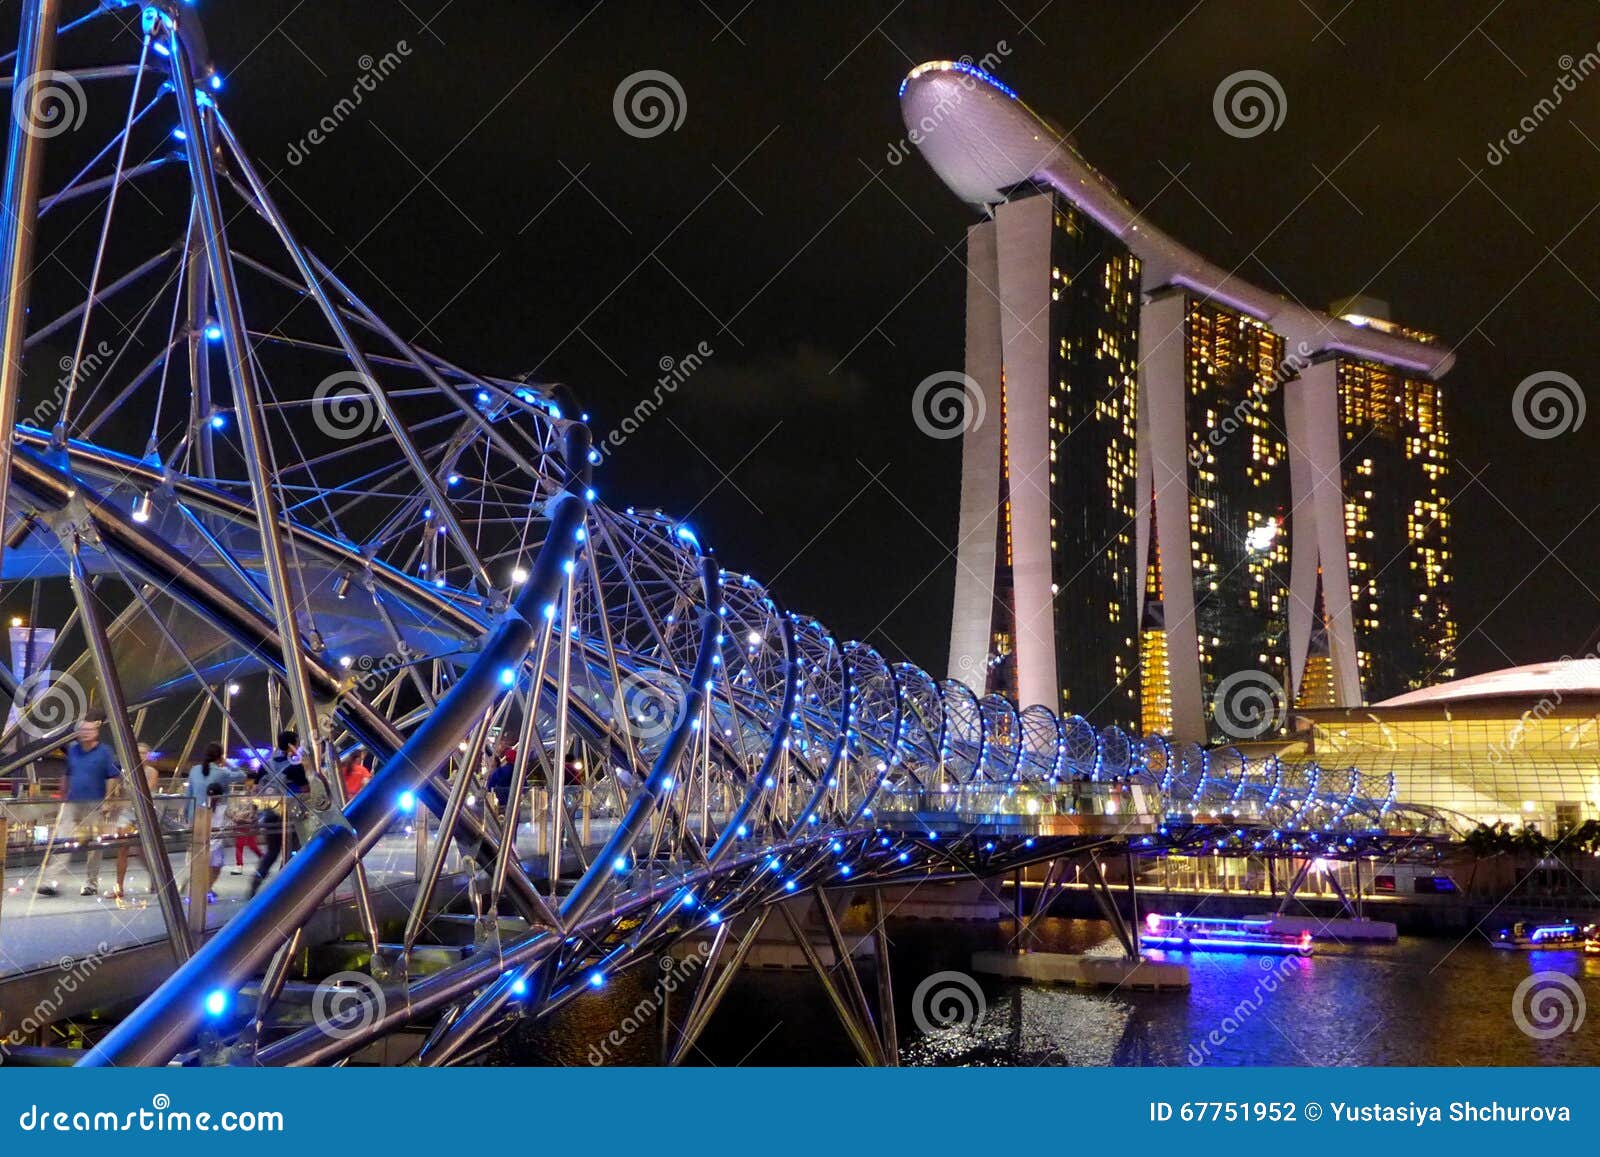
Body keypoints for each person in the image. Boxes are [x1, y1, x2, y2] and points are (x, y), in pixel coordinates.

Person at [37, 719, 119, 897]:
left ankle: (91, 883)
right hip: (72, 803)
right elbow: (67, 774)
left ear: (96, 732)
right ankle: (51, 881)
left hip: (94, 804)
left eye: (89, 730)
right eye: (82, 730)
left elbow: (112, 777)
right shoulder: (73, 751)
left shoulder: (105, 752)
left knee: (93, 845)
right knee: (62, 839)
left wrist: (107, 800)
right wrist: (62, 797)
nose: (85, 733)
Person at [250, 730, 306, 897]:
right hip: (289, 815)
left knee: (272, 852)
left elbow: (256, 789)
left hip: (269, 814)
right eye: (296, 743)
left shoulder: (266, 763)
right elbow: (305, 790)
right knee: (294, 851)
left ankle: (256, 883)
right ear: (291, 745)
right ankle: (286, 887)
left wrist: (254, 812)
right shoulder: (295, 766)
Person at [186, 742, 244, 902]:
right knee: (216, 859)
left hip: (195, 817)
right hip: (215, 820)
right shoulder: (222, 773)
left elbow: (188, 794)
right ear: (219, 756)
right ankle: (206, 889)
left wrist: (187, 814)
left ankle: (200, 888)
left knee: (198, 855)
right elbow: (242, 775)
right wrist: (226, 762)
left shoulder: (194, 770)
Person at [110, 742, 161, 900]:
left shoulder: (151, 772)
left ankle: (156, 876)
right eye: (138, 752)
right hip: (127, 813)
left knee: (143, 852)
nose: (140, 756)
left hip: (144, 813)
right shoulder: (125, 772)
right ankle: (119, 887)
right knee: (122, 849)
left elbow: (146, 792)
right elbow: (119, 792)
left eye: (144, 753)